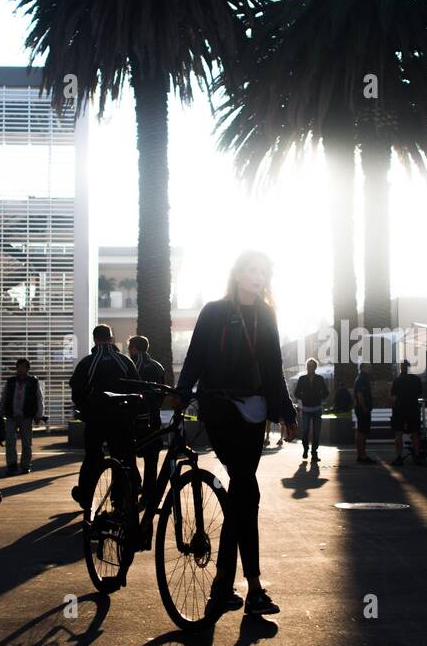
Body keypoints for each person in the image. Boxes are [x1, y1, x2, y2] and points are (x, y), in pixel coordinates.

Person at [169, 250, 297, 617]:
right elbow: (194, 357)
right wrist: (181, 392)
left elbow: (274, 366)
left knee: (240, 495)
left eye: (263, 271)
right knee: (246, 488)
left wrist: (286, 410)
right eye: (252, 270)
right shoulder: (214, 311)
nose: (258, 276)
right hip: (220, 408)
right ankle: (254, 587)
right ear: (238, 274)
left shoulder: (266, 314)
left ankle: (222, 585)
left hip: (254, 412)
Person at [70, 324, 139, 510]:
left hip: (96, 417)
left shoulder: (88, 362)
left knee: (92, 456)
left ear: (95, 339)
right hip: (122, 418)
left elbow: (76, 389)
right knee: (122, 457)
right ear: (111, 338)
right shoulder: (125, 361)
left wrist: (85, 410)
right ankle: (121, 498)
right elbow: (136, 388)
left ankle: (85, 494)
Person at [126, 334, 166, 503]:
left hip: (138, 418)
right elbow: (162, 392)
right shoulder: (158, 366)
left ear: (134, 348)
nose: (128, 351)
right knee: (151, 459)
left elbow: (129, 390)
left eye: (129, 348)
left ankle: (135, 485)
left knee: (127, 453)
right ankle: (149, 494)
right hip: (154, 416)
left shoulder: (133, 365)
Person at [0, 358, 44, 475]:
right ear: (16, 368)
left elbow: (39, 399)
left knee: (27, 443)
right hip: (11, 416)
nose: (21, 369)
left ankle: (25, 465)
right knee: (10, 442)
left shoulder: (33, 381)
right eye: (19, 367)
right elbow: (4, 398)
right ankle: (11, 465)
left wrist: (39, 414)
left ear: (27, 368)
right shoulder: (10, 382)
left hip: (26, 416)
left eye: (23, 367)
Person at [294, 358, 329, 461]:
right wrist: (303, 397)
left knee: (316, 432)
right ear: (306, 367)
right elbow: (296, 393)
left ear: (315, 367)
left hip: (317, 408)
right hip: (306, 409)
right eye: (308, 366)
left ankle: (314, 453)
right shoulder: (302, 379)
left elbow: (326, 392)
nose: (310, 367)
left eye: (312, 366)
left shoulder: (320, 378)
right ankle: (305, 450)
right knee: (305, 431)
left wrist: (320, 398)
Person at [389, 359, 423, 466]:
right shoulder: (416, 379)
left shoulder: (397, 381)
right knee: (415, 433)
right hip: (413, 408)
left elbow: (393, 397)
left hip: (399, 409)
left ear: (401, 368)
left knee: (398, 433)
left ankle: (399, 457)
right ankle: (417, 457)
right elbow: (419, 394)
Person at [353, 362, 374, 463]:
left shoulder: (361, 378)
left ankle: (361, 455)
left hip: (361, 408)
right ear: (362, 368)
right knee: (362, 432)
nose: (371, 368)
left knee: (361, 431)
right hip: (362, 409)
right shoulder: (362, 379)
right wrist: (364, 407)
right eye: (368, 367)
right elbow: (360, 395)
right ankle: (362, 456)